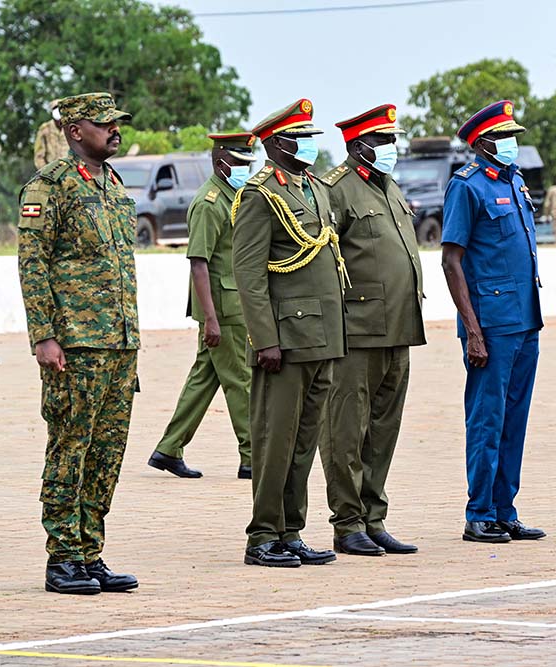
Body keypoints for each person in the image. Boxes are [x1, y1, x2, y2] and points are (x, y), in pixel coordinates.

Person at [18, 92, 141, 594]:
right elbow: (32, 265)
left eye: (117, 124)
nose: (115, 131)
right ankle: (62, 558)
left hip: (118, 345)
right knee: (71, 448)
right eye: (104, 124)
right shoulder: (51, 186)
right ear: (74, 131)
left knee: (107, 454)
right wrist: (44, 337)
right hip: (75, 347)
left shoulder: (113, 184)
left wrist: (131, 342)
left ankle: (91, 552)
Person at [232, 99, 346, 567]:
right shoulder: (262, 195)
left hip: (323, 335)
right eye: (302, 138)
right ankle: (262, 536)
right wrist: (266, 339)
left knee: (303, 441)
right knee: (274, 439)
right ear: (278, 142)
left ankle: (291, 530)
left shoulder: (313, 188)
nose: (311, 146)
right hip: (285, 338)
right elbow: (249, 274)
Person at [318, 104, 425, 556]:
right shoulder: (337, 190)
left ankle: (373, 516)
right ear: (358, 145)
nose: (391, 149)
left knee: (383, 430)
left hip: (399, 328)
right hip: (356, 330)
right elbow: (323, 263)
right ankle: (347, 523)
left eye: (392, 141)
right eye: (382, 142)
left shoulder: (389, 187)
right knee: (346, 431)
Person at [440, 100, 545, 544]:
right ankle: (479, 512)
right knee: (487, 419)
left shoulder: (515, 181)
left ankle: (505, 508)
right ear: (483, 142)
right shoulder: (467, 187)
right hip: (492, 325)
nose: (512, 144)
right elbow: (451, 261)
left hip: (525, 320)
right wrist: (473, 330)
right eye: (505, 138)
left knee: (514, 420)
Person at [148, 133, 257, 480]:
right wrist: (210, 317)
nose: (245, 170)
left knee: (204, 378)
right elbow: (198, 262)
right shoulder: (210, 203)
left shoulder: (233, 197)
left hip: (230, 301)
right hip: (223, 307)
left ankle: (168, 449)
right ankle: (252, 455)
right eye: (239, 164)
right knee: (241, 379)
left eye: (248, 164)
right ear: (221, 162)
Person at [33, 99, 69, 170]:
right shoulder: (45, 129)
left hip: (69, 170)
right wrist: (46, 172)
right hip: (51, 172)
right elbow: (39, 156)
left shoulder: (70, 128)